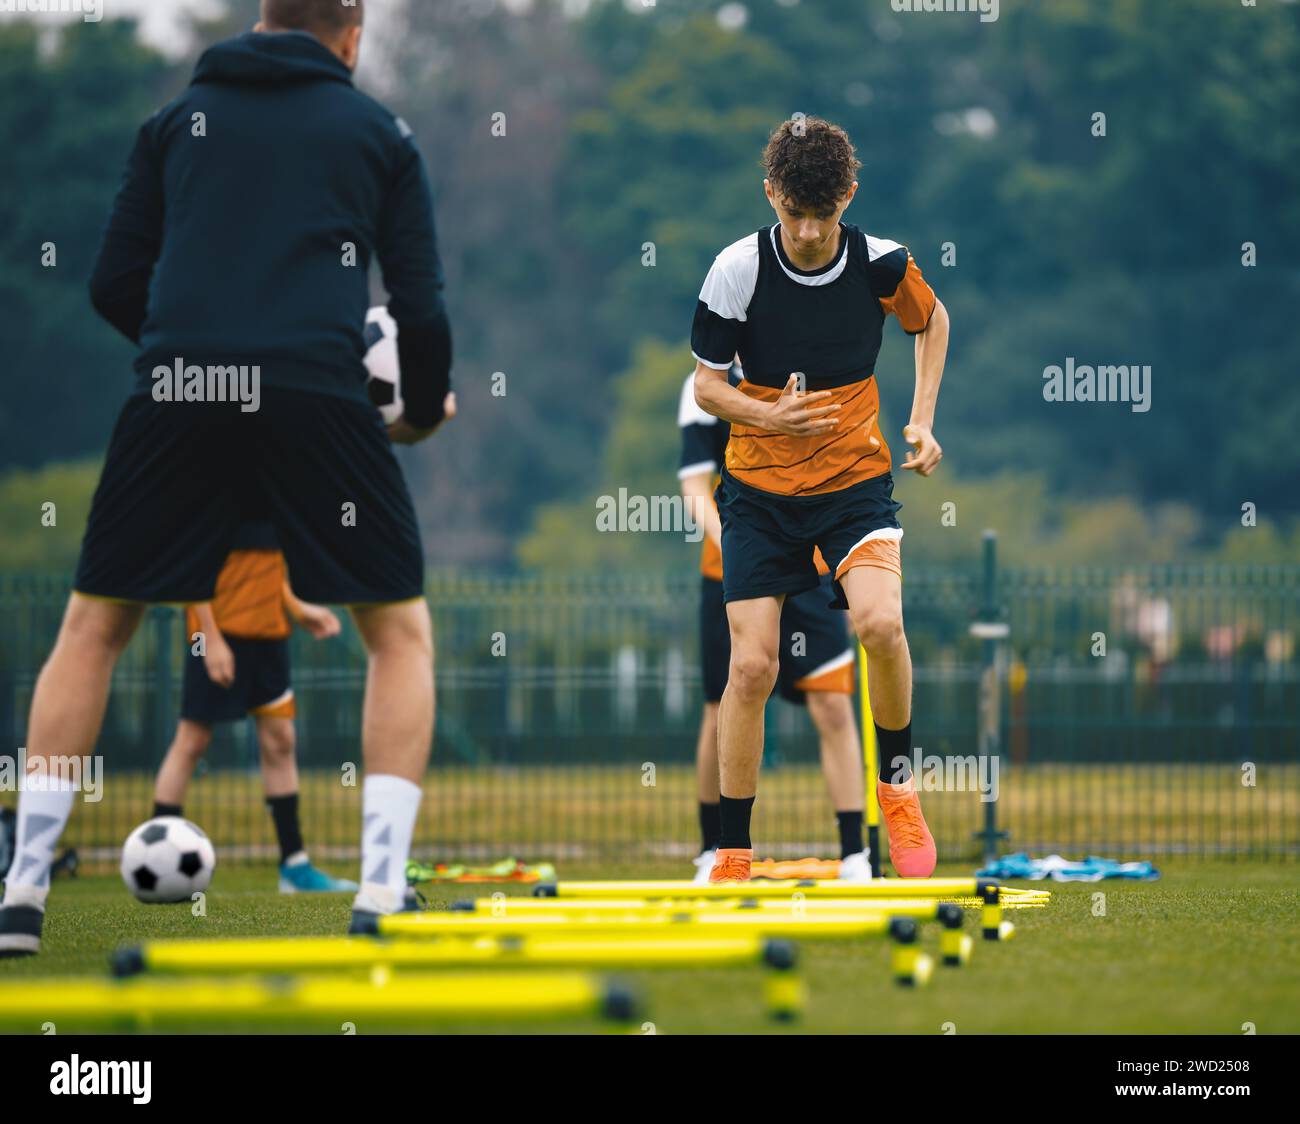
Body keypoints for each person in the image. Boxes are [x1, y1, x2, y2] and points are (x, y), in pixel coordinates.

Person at [0, 0, 453, 956]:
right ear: (353, 34)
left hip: (178, 388)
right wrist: (416, 410)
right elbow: (419, 306)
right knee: (398, 633)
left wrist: (191, 352)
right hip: (318, 393)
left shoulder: (173, 124)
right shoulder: (380, 134)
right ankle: (379, 891)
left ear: (260, 18)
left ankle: (22, 892)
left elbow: (110, 282)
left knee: (92, 626)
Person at [689, 117, 949, 883]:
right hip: (759, 495)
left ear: (849, 197)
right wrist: (768, 415)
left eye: (823, 215)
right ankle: (733, 852)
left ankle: (897, 790)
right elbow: (706, 386)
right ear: (770, 193)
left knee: (881, 624)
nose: (806, 232)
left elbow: (932, 321)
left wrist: (923, 418)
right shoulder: (736, 270)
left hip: (854, 487)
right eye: (794, 213)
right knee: (752, 669)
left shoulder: (881, 264)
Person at [678, 361, 871, 884]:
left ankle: (855, 854)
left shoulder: (817, 360)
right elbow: (694, 485)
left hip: (814, 564)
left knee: (833, 706)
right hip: (734, 565)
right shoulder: (707, 383)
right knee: (722, 705)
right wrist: (736, 547)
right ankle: (714, 849)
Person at [153, 520, 356, 893]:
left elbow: (269, 569)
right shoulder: (214, 495)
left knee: (281, 739)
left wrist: (297, 608)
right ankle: (156, 861)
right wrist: (210, 638)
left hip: (269, 634)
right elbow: (192, 565)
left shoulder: (273, 496)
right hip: (216, 633)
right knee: (193, 740)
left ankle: (295, 868)